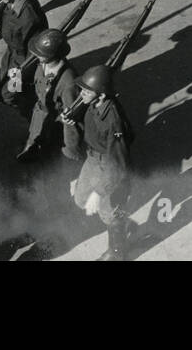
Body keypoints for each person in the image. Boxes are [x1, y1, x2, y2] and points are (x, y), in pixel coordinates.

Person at [70, 64, 135, 261]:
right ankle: (116, 220)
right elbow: (94, 132)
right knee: (81, 199)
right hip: (93, 159)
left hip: (110, 166)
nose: (82, 93)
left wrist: (99, 193)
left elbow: (118, 165)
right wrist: (77, 124)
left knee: (109, 211)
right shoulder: (94, 105)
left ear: (102, 95)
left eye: (87, 90)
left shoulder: (113, 120)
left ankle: (117, 253)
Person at [0, 0, 48, 115]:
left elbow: (34, 52)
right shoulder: (11, 4)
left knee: (10, 95)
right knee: (4, 92)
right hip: (12, 57)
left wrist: (21, 74)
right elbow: (9, 28)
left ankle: (34, 120)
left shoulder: (29, 17)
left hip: (22, 63)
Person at [20, 29, 82, 162]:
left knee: (48, 160)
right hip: (38, 119)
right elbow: (28, 88)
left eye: (40, 53)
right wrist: (14, 81)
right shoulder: (43, 64)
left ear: (51, 55)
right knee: (29, 153)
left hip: (54, 128)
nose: (35, 55)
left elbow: (72, 119)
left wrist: (71, 151)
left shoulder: (68, 82)